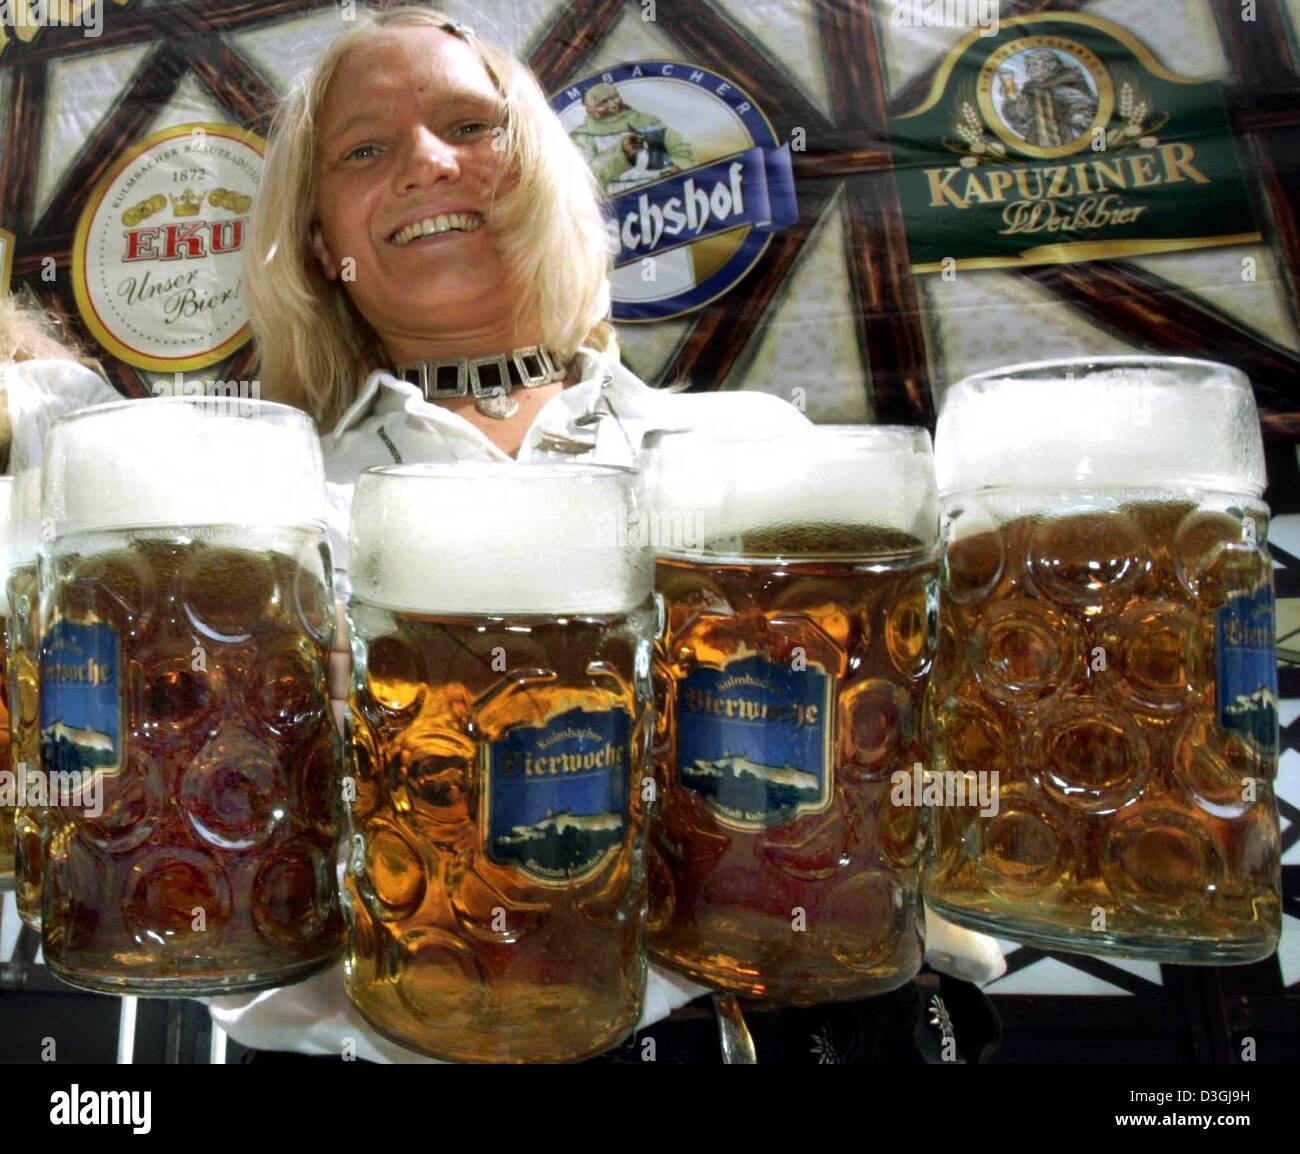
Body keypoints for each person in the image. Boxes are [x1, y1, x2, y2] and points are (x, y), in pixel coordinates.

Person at [218, 5, 1003, 1064]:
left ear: (543, 176)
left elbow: (944, 754)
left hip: (808, 1026)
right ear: (320, 240)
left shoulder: (755, 451)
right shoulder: (264, 508)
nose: (429, 163)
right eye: (363, 150)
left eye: (472, 126)